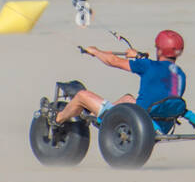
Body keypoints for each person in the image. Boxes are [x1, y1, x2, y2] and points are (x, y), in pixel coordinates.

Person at [48, 29, 186, 126]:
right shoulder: (180, 74)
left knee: (81, 95)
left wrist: (96, 52)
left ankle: (56, 120)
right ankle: (99, 115)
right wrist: (138, 57)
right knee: (128, 99)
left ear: (160, 50)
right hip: (161, 121)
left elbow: (113, 61)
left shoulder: (148, 66)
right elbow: (160, 74)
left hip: (139, 120)